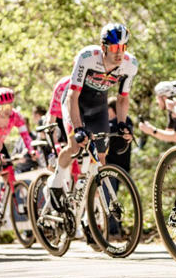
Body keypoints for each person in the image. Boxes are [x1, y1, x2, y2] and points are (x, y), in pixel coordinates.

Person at [48, 23, 137, 211]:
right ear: (104, 47)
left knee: (101, 158)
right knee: (74, 145)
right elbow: (73, 96)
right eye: (114, 48)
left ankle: (91, 210)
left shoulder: (130, 65)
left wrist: (121, 123)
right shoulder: (87, 57)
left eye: (123, 47)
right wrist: (78, 127)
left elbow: (122, 99)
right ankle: (56, 184)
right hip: (75, 102)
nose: (119, 53)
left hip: (98, 106)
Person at [0, 87, 36, 209]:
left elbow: (26, 136)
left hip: (0, 144)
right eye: (4, 107)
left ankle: (4, 202)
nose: (8, 110)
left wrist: (32, 150)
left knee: (10, 174)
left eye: (10, 106)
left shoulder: (15, 116)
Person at [106, 97, 134, 173]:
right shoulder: (127, 120)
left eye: (107, 108)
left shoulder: (113, 124)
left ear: (112, 109)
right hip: (122, 164)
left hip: (112, 164)